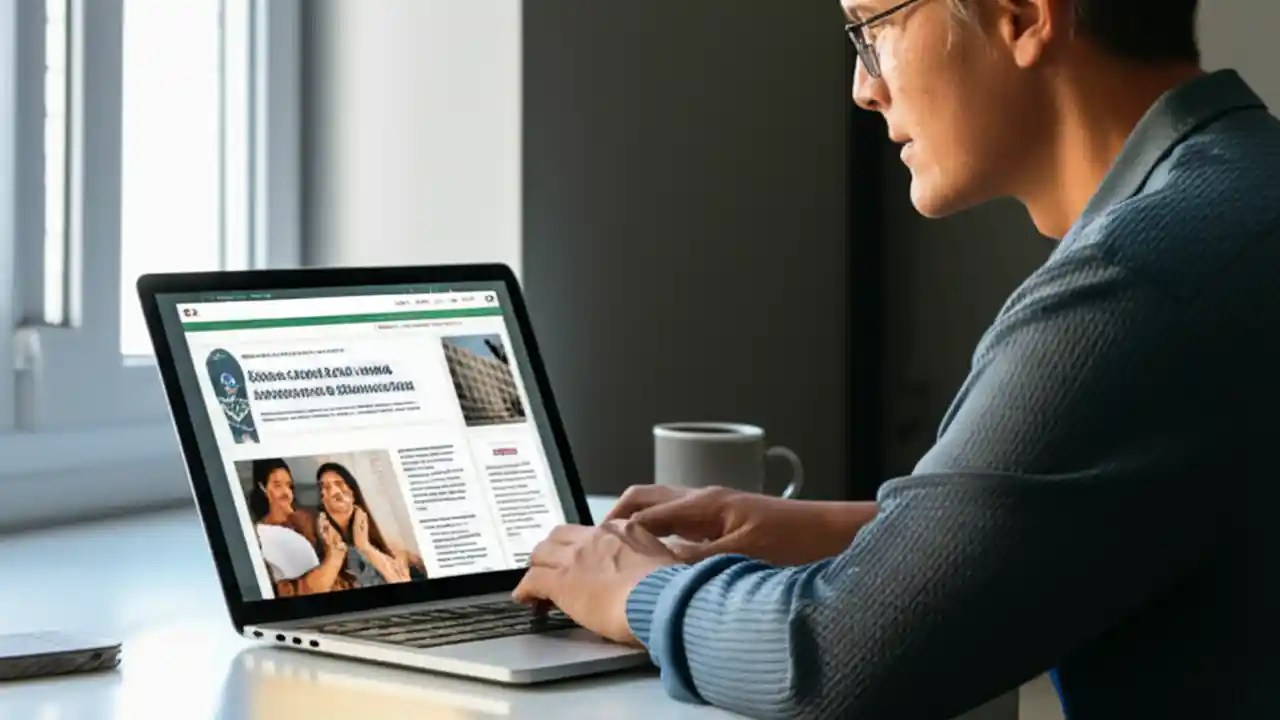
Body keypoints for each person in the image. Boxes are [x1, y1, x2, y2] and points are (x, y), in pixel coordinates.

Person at [513, 0, 1280, 717]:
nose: (862, 87)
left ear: (1021, 16)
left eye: (872, 28)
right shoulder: (1244, 198)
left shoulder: (1140, 280)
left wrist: (644, 589)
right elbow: (1142, 516)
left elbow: (839, 660)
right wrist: (859, 534)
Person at [248, 459, 349, 596]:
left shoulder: (310, 517)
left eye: (289, 486)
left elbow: (334, 547)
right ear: (263, 487)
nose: (286, 492)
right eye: (277, 486)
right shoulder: (260, 534)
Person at [314, 462, 423, 588]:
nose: (335, 491)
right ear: (323, 501)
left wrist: (364, 546)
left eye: (339, 483)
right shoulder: (324, 552)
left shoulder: (391, 546)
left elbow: (403, 583)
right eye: (325, 487)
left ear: (353, 493)